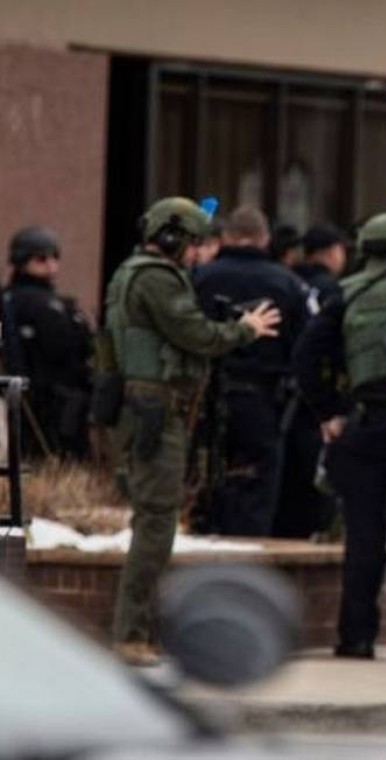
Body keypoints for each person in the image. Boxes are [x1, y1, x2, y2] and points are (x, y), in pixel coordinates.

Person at [104, 197, 280, 665]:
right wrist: (244, 329)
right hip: (155, 414)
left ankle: (137, 631)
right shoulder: (156, 278)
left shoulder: (131, 273)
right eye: (194, 243)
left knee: (153, 522)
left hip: (148, 411)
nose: (199, 253)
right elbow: (195, 333)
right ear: (171, 239)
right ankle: (131, 634)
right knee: (156, 525)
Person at [292, 211, 386, 658]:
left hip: (365, 426)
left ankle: (355, 637)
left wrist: (330, 411)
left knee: (363, 540)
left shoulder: (344, 295)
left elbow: (305, 356)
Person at [191, 206, 310, 536]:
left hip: (204, 399)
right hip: (264, 398)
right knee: (256, 485)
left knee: (204, 484)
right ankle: (245, 569)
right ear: (265, 239)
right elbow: (306, 345)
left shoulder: (198, 278)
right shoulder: (289, 284)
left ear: (225, 237)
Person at [272, 222, 348, 539]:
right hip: (316, 398)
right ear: (332, 252)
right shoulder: (334, 291)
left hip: (280, 392)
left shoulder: (290, 282)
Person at [2, 225, 93, 459]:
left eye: (55, 257)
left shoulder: (55, 304)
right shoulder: (38, 306)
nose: (51, 265)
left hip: (56, 402)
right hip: (38, 401)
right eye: (41, 259)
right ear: (22, 261)